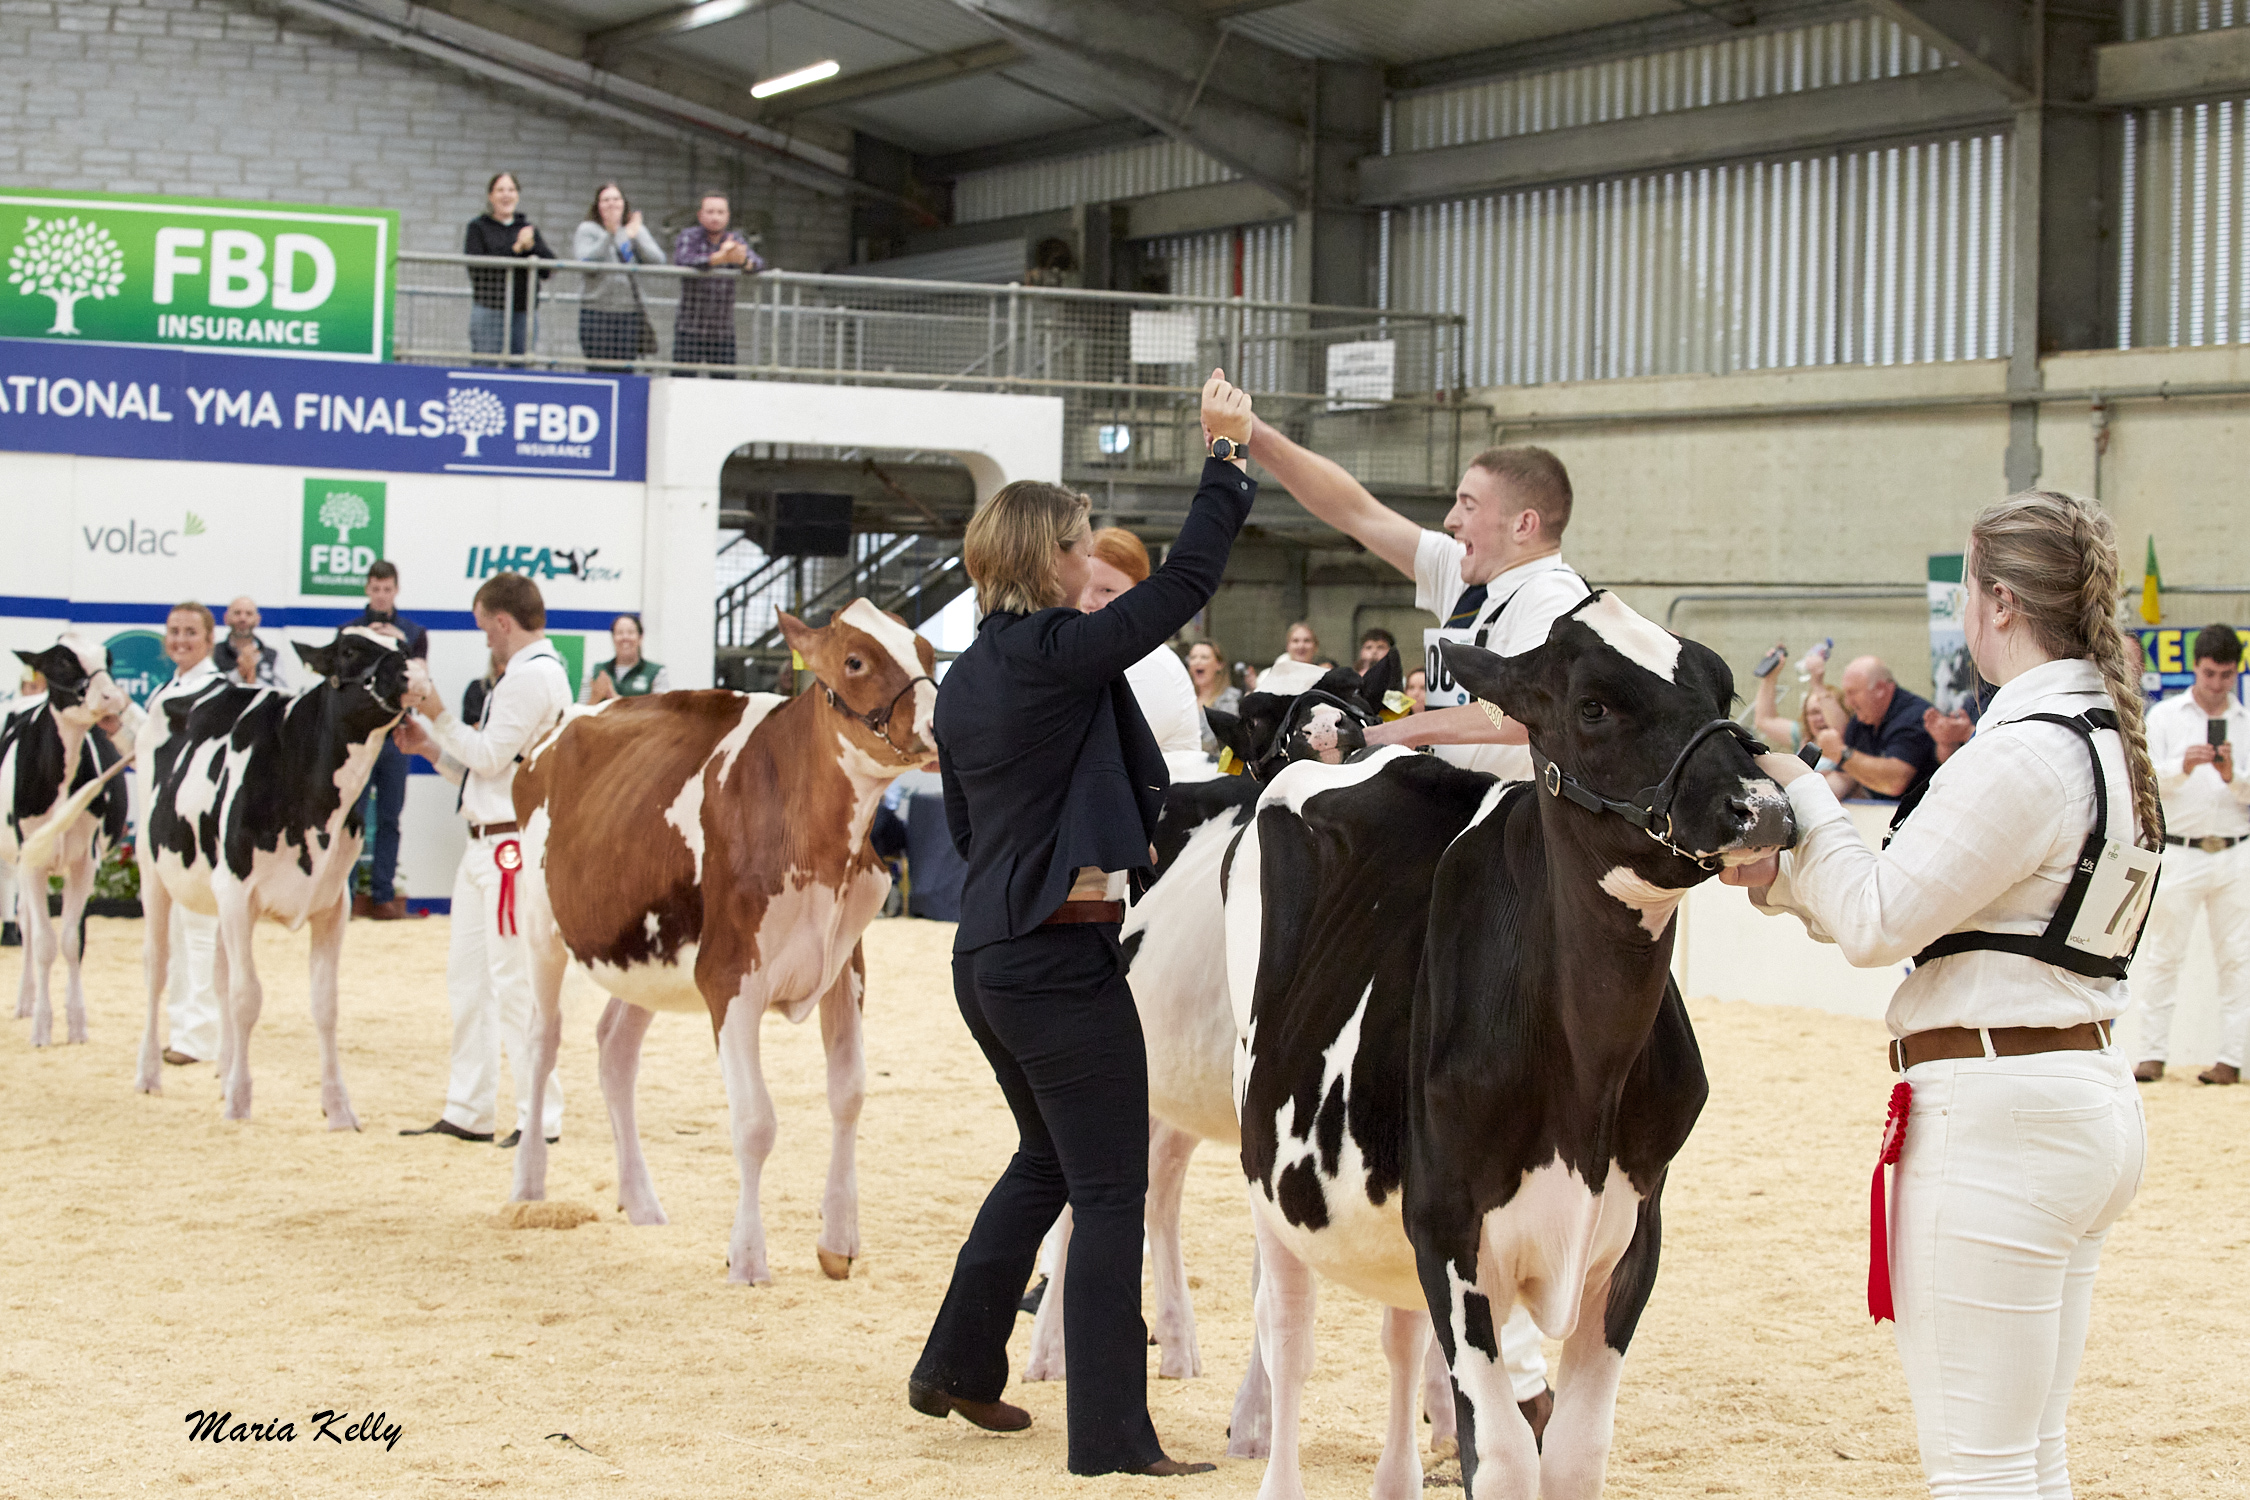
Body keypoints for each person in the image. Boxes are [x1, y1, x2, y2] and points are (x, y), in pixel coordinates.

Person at [1726, 490, 2154, 1498]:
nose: (1965, 612)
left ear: (2000, 602)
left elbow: (1877, 922)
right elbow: (1943, 910)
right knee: (2028, 1458)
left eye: (1970, 590)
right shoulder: (2101, 737)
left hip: (2001, 1119)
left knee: (1980, 1470)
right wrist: (1787, 883)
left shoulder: (2023, 749)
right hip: (2075, 1093)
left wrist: (1798, 786)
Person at [909, 369, 1257, 1479]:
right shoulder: (1061, 655)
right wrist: (1226, 458)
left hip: (988, 957)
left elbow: (967, 828)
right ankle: (1109, 1436)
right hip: (1057, 962)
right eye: (1080, 539)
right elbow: (1190, 579)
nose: (1090, 554)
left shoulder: (965, 682)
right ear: (1046, 558)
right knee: (1112, 1191)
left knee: (1045, 1164)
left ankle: (957, 1365)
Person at [1247, 420, 1583, 793]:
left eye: (1468, 507)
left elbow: (1524, 713)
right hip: (1458, 812)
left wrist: (1396, 732)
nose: (1451, 520)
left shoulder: (1556, 597)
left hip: (1515, 827)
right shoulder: (1469, 573)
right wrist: (1254, 434)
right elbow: (1355, 512)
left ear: (1523, 525)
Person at [392, 573, 569, 1148]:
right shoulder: (523, 676)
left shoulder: (532, 677)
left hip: (510, 849)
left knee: (514, 981)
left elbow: (490, 758)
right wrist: (430, 748)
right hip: (488, 840)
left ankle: (539, 1117)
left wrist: (440, 713)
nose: (485, 641)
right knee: (469, 979)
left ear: (502, 621)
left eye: (484, 628)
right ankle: (468, 1109)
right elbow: (489, 771)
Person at [2130, 622, 2250, 1084]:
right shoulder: (2164, 717)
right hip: (2180, 850)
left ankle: (2230, 1060)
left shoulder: (2244, 720)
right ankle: (2153, 1055)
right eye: (2209, 674)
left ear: (2236, 672)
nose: (2217, 684)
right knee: (2164, 955)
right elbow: (2147, 777)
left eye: (2226, 675)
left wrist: (2230, 775)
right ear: (2194, 669)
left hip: (2235, 852)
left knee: (2237, 959)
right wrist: (2183, 765)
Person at [150, 602, 222, 1066]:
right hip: (167, 828)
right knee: (175, 931)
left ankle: (201, 1037)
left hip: (200, 829)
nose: (180, 639)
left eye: (190, 632)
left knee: (201, 929)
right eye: (174, 631)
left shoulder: (217, 691)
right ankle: (183, 1031)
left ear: (209, 639)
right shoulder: (169, 689)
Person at [1082, 528, 1206, 777]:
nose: (1088, 602)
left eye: (1106, 591)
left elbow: (1101, 755)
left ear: (1141, 596)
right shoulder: (1105, 654)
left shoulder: (1150, 662)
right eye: (1083, 587)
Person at [346, 562, 428, 921]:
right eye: (375, 589)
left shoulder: (413, 632)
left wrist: (400, 642)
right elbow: (344, 688)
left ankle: (382, 896)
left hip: (397, 736)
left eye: (387, 589)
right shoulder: (348, 631)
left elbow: (420, 685)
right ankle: (344, 898)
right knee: (352, 816)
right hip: (360, 739)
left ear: (396, 590)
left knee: (391, 818)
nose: (381, 595)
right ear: (367, 589)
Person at [1817, 655, 1941, 803]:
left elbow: (1895, 781)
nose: (1849, 703)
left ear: (1881, 688)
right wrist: (1815, 794)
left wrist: (1840, 753)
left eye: (1853, 693)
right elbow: (1847, 775)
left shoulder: (1915, 716)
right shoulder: (1861, 720)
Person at [463, 171, 554, 358]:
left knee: (520, 366)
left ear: (517, 195)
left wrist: (532, 246)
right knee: (485, 364)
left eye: (511, 190)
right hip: (490, 308)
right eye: (500, 190)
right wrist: (517, 248)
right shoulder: (478, 227)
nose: (506, 195)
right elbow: (477, 268)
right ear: (491, 196)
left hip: (523, 311)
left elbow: (548, 268)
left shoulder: (527, 229)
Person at [573, 182, 663, 368]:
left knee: (625, 369)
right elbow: (586, 262)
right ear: (598, 205)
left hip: (628, 312)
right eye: (606, 200)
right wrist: (609, 234)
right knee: (598, 368)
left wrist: (634, 235)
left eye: (616, 199)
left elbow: (657, 260)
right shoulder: (588, 230)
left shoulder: (633, 229)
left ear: (624, 203)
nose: (611, 204)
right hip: (596, 311)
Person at [671, 191, 763, 370]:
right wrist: (718, 258)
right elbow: (683, 259)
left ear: (728, 216)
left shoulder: (735, 239)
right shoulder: (688, 236)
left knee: (725, 386)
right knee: (683, 382)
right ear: (700, 215)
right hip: (690, 328)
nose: (715, 217)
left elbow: (758, 263)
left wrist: (742, 261)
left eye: (720, 212)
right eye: (710, 212)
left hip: (722, 330)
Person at [582, 613, 670, 703]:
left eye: (630, 632)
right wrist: (595, 697)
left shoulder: (657, 672)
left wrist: (614, 697)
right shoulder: (595, 671)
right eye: (619, 633)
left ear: (640, 637)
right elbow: (580, 714)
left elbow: (662, 712)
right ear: (613, 638)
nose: (625, 637)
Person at [211, 597, 287, 689]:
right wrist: (240, 672)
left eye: (249, 614)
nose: (243, 618)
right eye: (237, 613)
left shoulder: (273, 655)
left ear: (257, 620)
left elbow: (282, 692)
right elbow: (209, 689)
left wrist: (252, 677)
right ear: (226, 618)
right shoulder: (212, 653)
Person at [1185, 639, 1239, 754]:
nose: (1197, 662)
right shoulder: (1183, 698)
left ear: (1219, 664)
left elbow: (1215, 741)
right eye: (1193, 657)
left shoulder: (1229, 699)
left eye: (1204, 657)